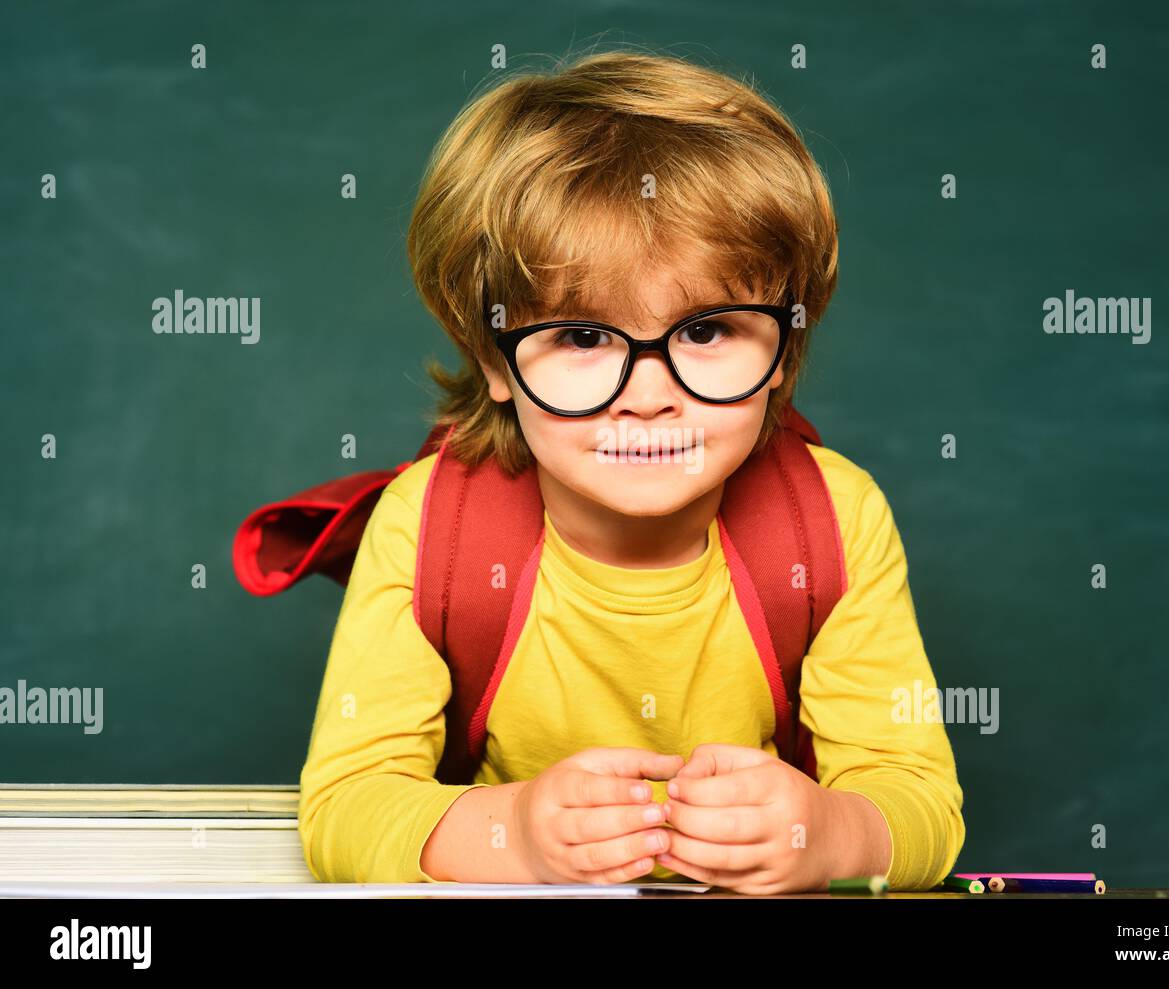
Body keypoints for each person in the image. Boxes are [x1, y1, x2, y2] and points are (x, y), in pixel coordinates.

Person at [297, 48, 964, 894]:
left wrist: (826, 832)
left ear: (785, 344)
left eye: (707, 329)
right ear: (492, 358)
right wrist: (516, 835)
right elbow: (344, 808)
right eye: (581, 336)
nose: (647, 396)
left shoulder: (836, 520)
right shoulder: (429, 525)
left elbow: (920, 802)